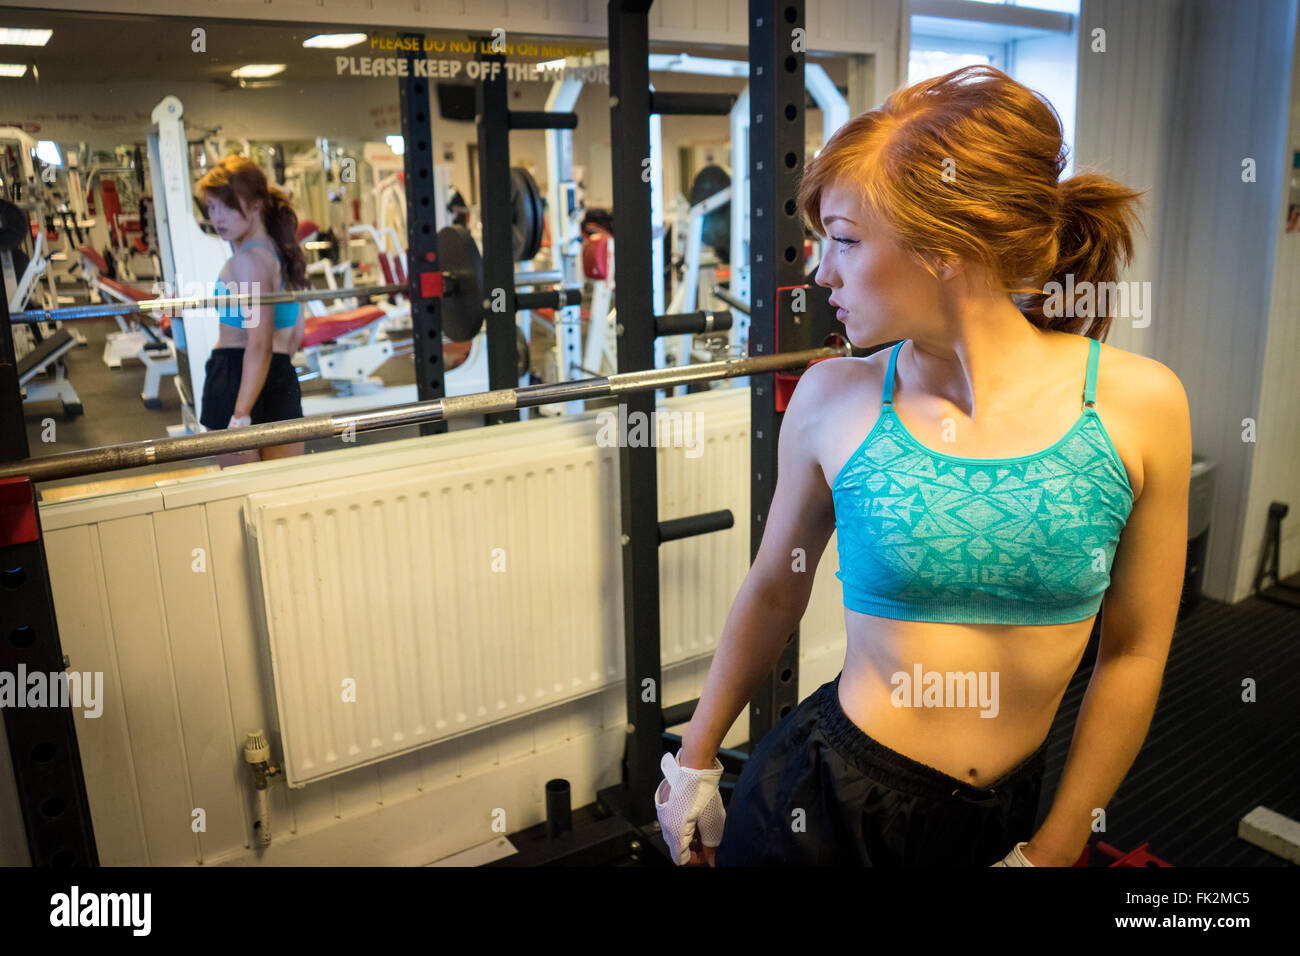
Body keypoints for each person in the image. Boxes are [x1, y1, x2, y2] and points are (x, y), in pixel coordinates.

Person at [654, 65, 1192, 867]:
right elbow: (773, 587)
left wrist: (1055, 847)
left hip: (998, 818)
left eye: (844, 240)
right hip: (826, 803)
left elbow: (1135, 653)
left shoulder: (1139, 404)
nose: (822, 272)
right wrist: (694, 762)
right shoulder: (833, 398)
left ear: (948, 244)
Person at [196, 155, 308, 464]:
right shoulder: (287, 256)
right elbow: (295, 335)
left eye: (228, 207)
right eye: (212, 207)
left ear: (257, 204)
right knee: (287, 488)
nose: (218, 218)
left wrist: (241, 414)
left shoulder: (247, 261)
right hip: (280, 375)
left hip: (236, 379)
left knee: (243, 491)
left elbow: (259, 343)